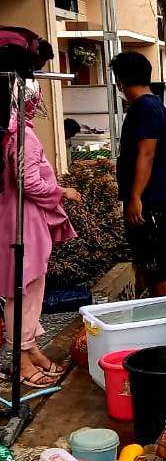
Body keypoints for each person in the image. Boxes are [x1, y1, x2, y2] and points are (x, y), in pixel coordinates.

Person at [0, 83, 80, 388]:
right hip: (24, 220)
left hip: (14, 216)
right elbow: (29, 183)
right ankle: (20, 360)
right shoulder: (23, 136)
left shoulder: (11, 132)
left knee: (25, 288)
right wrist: (63, 191)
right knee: (24, 289)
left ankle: (29, 348)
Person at [111, 51, 166, 296]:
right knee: (159, 265)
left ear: (120, 81)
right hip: (159, 198)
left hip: (151, 202)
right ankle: (165, 321)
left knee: (160, 266)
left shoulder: (144, 108)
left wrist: (135, 198)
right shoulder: (155, 105)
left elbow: (146, 154)